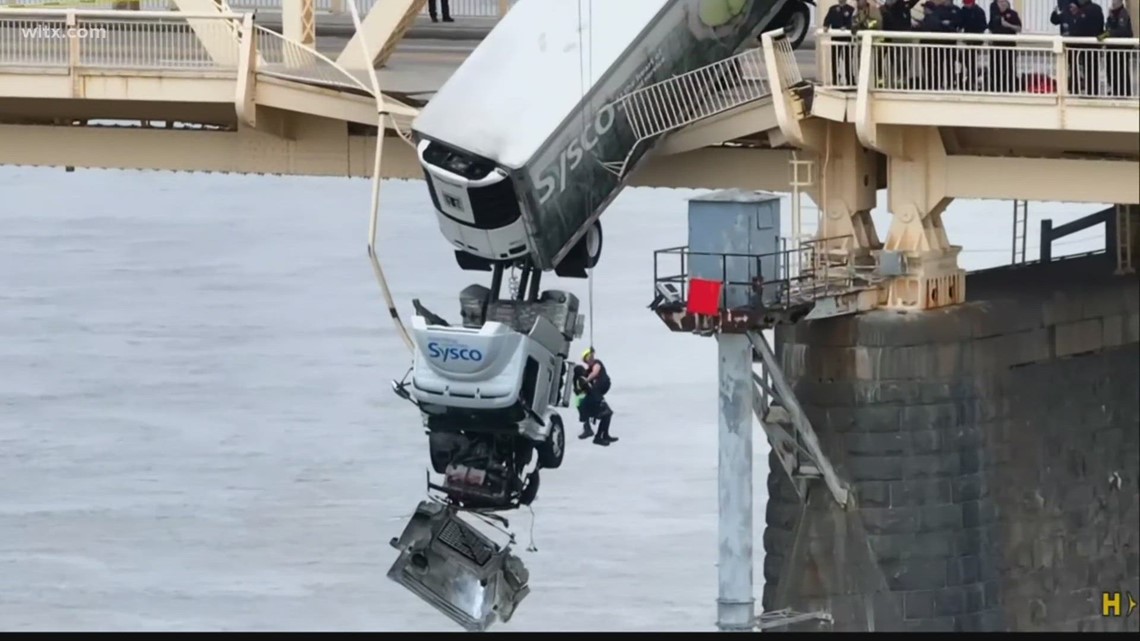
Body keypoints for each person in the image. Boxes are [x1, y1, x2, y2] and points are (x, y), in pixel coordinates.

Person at [579, 348, 617, 446]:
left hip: (595, 396)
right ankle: (593, 433)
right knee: (607, 412)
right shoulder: (589, 371)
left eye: (591, 356)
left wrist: (587, 380)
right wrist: (586, 380)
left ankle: (601, 436)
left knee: (607, 414)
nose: (590, 359)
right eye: (588, 358)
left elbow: (595, 372)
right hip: (594, 397)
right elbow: (592, 374)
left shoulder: (596, 363)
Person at [1069, 0, 1106, 96]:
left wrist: (1071, 37)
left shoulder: (1084, 11)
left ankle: (1081, 89)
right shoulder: (1097, 9)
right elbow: (1101, 28)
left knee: (1086, 68)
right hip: (1096, 44)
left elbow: (1081, 29)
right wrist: (1100, 38)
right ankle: (1093, 91)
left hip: (1085, 44)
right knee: (1093, 69)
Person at [987, 0, 1022, 94]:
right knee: (995, 68)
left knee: (1009, 68)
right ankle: (995, 87)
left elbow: (1019, 28)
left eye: (1003, 2)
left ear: (1007, 3)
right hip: (996, 46)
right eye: (999, 2)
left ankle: (1010, 88)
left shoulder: (1013, 14)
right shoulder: (994, 14)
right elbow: (990, 27)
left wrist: (1008, 25)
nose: (1002, 4)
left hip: (1009, 46)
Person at [1105, 0, 1135, 97]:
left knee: (1121, 70)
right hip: (1112, 47)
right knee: (1111, 69)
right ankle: (1115, 89)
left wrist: (1108, 34)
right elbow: (1108, 29)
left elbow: (1122, 31)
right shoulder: (1112, 15)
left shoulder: (1123, 14)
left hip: (1121, 47)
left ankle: (1124, 91)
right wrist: (1101, 36)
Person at [823, 0, 857, 86]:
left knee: (848, 60)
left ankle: (849, 80)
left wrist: (846, 27)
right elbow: (827, 19)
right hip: (835, 38)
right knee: (835, 59)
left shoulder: (850, 9)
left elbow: (853, 22)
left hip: (847, 39)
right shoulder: (833, 9)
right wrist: (826, 26)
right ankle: (835, 80)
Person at [957, 0, 987, 90]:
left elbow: (983, 26)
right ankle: (968, 80)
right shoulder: (963, 10)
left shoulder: (979, 11)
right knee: (965, 60)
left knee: (971, 63)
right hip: (965, 41)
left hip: (975, 41)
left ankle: (970, 82)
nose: (965, 5)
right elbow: (960, 23)